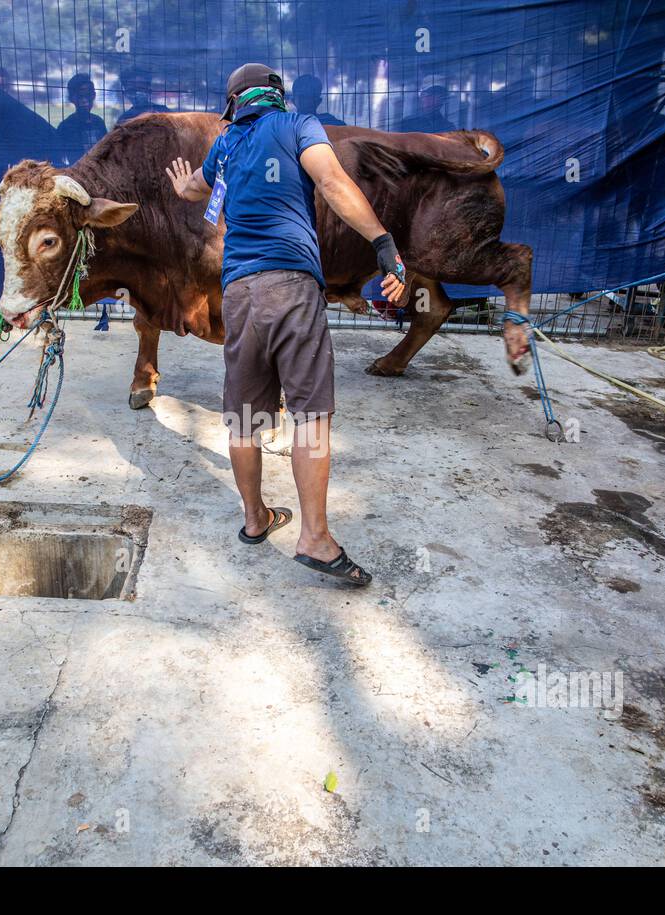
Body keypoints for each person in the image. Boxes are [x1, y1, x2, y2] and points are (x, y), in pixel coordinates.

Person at [166, 64, 408, 587]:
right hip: (291, 285)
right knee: (311, 415)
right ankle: (315, 538)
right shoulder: (299, 125)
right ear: (277, 96)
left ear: (233, 102)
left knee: (246, 417)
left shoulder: (226, 143)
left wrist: (187, 184)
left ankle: (256, 519)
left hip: (239, 295)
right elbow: (332, 180)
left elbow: (197, 193)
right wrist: (383, 244)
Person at [55, 73, 107, 164]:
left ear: (93, 96)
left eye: (88, 96)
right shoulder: (65, 126)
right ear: (71, 98)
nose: (84, 101)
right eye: (80, 96)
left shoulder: (98, 122)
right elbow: (61, 157)